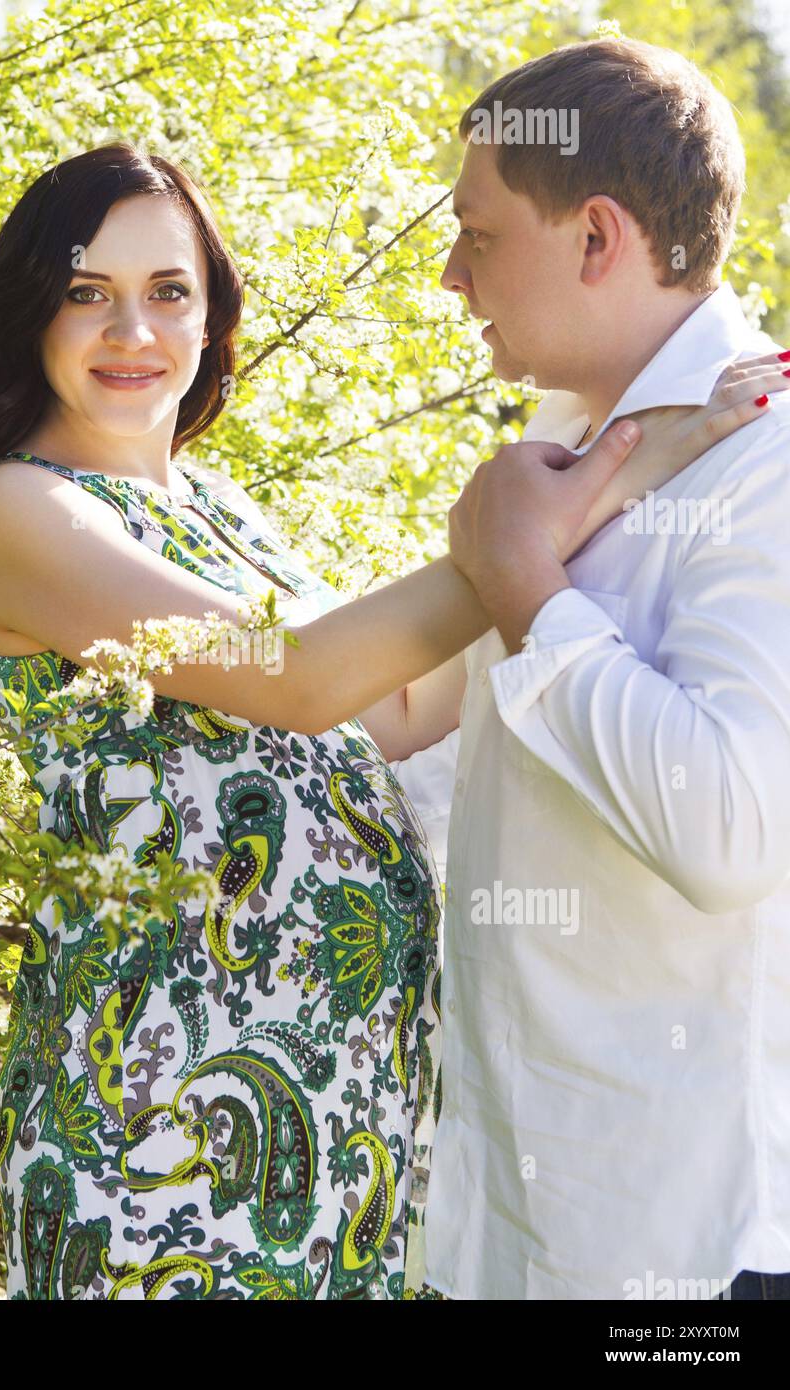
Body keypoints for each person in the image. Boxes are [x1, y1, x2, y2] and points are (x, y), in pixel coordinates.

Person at [0, 143, 787, 1299]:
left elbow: (392, 704)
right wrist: (609, 480)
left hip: (343, 1122)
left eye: (168, 292)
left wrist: (590, 515)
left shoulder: (215, 506)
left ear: (211, 312)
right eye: (89, 293)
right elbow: (295, 675)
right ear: (33, 308)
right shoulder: (18, 510)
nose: (133, 330)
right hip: (167, 1124)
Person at [389, 38, 790, 1300]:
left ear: (598, 237)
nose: (453, 276)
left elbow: (734, 827)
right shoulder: (570, 447)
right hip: (522, 1233)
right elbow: (404, 720)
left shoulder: (765, 465)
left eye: (479, 233)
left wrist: (531, 592)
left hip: (678, 1248)